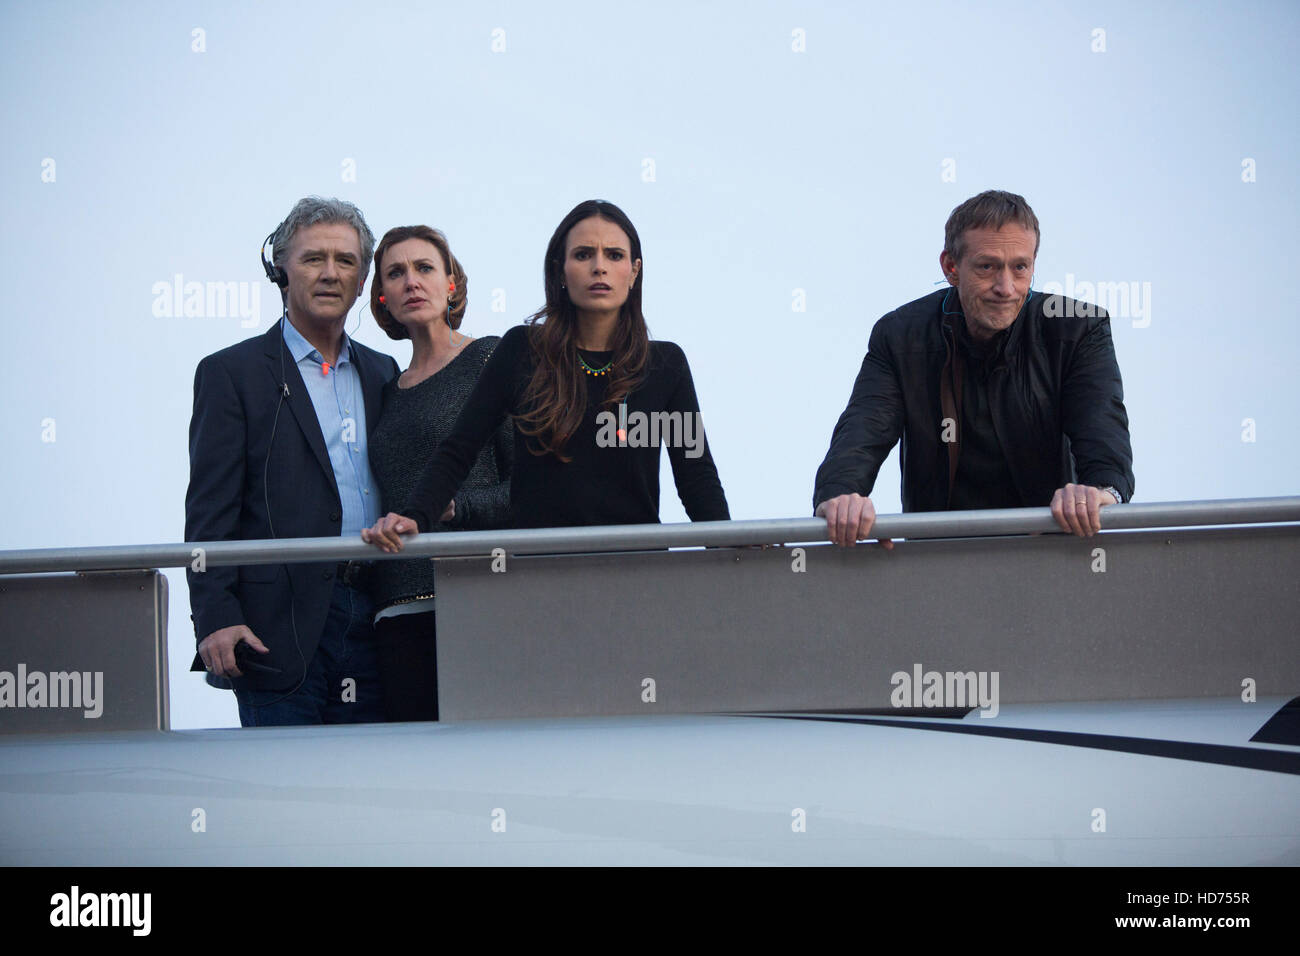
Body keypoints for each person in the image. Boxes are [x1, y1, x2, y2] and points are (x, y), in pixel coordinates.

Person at [362, 199, 729, 556]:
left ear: (634, 272)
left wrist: (736, 546)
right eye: (583, 254)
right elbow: (460, 448)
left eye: (614, 255)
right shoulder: (522, 350)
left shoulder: (666, 364)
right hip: (538, 576)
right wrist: (416, 515)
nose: (599, 267)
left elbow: (695, 475)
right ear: (560, 270)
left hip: (636, 576)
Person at [813, 189, 1134, 547]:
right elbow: (863, 429)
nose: (1006, 288)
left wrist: (1103, 490)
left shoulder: (1077, 327)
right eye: (988, 267)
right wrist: (840, 496)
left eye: (1020, 267)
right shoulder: (901, 335)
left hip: (1050, 555)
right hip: (940, 562)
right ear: (951, 267)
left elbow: (1101, 425)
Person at [186, 196, 400, 726]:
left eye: (346, 261)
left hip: (377, 619)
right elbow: (210, 512)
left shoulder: (384, 371)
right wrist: (216, 617)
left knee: (370, 798)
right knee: (283, 799)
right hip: (275, 632)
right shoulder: (230, 373)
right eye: (313, 259)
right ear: (280, 271)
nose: (330, 274)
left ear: (362, 279)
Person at [366, 225, 513, 721]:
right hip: (395, 610)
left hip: (477, 597)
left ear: (451, 283)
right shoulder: (385, 390)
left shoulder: (490, 359)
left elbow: (534, 488)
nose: (411, 281)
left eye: (425, 268)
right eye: (396, 273)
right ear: (382, 298)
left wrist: (456, 507)